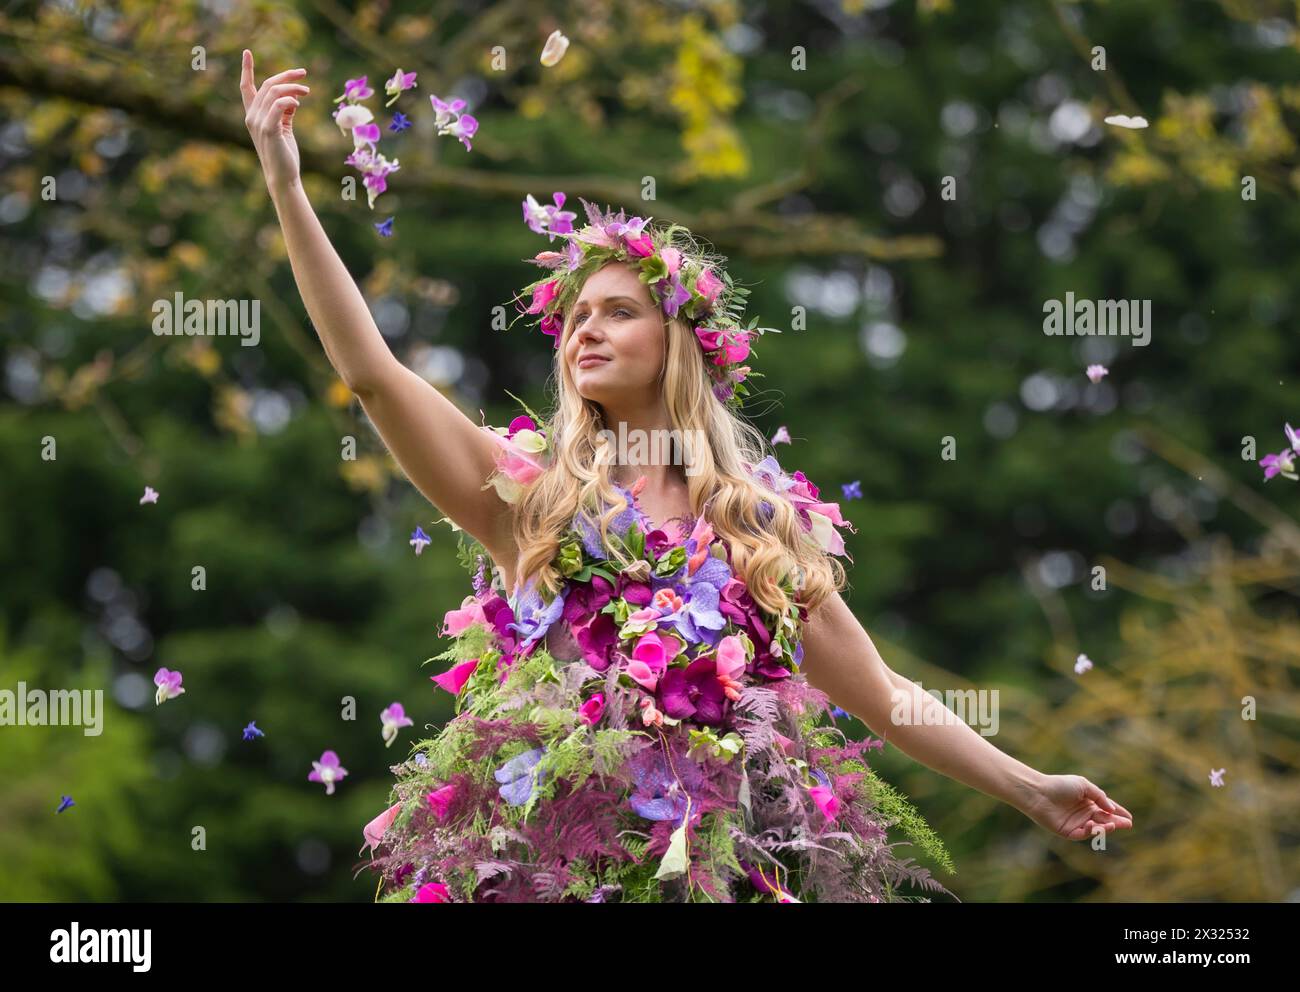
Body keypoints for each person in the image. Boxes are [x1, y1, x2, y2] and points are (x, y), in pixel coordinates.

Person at [240, 51, 1134, 903]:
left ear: (680, 346)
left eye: (618, 311)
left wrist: (1030, 788)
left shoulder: (759, 531)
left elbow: (889, 699)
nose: (585, 329)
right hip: (552, 872)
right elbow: (372, 373)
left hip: (723, 875)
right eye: (577, 315)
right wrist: (286, 184)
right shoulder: (532, 500)